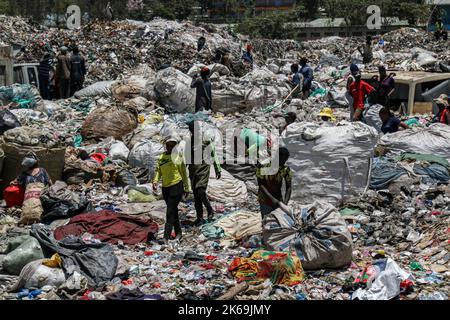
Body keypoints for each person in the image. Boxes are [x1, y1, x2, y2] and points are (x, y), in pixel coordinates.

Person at [153, 137, 190, 243]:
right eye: (168, 145)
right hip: (165, 187)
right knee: (173, 211)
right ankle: (179, 233)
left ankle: (166, 237)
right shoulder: (162, 157)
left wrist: (186, 188)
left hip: (176, 186)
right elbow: (159, 171)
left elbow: (183, 172)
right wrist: (155, 181)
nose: (170, 147)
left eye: (172, 145)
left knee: (169, 212)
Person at [187, 121, 222, 225]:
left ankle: (210, 209)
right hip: (193, 169)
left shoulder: (205, 138)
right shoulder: (190, 141)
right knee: (196, 195)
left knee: (201, 191)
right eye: (192, 130)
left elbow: (213, 153)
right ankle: (199, 218)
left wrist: (217, 168)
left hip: (203, 168)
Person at [256, 147, 292, 217]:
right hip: (265, 198)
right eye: (282, 160)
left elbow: (289, 187)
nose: (283, 162)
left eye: (285, 160)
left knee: (278, 220)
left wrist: (285, 202)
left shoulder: (285, 169)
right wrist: (272, 199)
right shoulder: (263, 166)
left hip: (278, 198)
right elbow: (261, 185)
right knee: (267, 221)